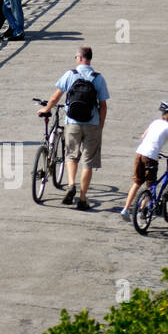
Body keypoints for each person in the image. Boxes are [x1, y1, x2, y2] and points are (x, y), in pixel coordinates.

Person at [42, 45, 110, 211]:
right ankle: (83, 198)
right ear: (90, 59)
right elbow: (103, 106)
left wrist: (46, 109)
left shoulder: (70, 75)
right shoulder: (98, 78)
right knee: (88, 162)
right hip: (92, 123)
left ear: (79, 58)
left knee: (71, 156)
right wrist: (99, 126)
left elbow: (55, 97)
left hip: (72, 122)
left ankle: (71, 184)